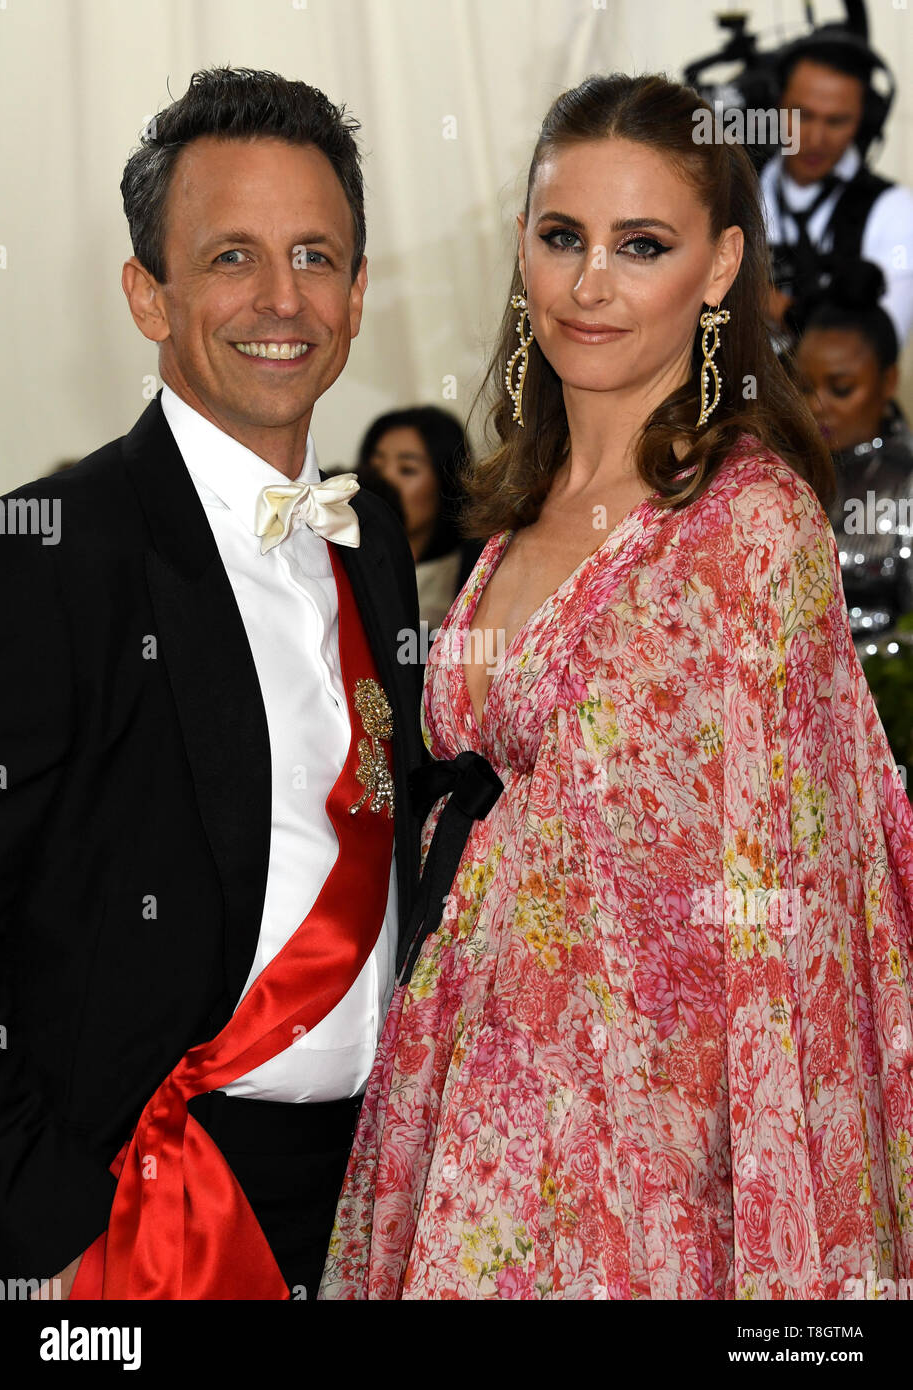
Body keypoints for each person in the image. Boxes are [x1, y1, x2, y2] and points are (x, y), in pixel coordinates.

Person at [319, 71, 913, 1301]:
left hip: (640, 1179)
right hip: (452, 1113)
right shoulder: (507, 512)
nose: (589, 283)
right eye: (560, 236)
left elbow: (792, 914)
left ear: (716, 266)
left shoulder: (749, 529)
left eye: (639, 244)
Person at [0, 66, 425, 1301]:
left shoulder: (372, 538)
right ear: (148, 293)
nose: (282, 299)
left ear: (354, 289)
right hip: (144, 1204)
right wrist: (48, 1220)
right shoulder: (46, 554)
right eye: (231, 256)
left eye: (316, 255)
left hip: (368, 1191)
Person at [760, 26, 913, 351]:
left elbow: (872, 347)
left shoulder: (894, 210)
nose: (816, 139)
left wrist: (774, 307)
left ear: (865, 121)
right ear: (775, 104)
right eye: (802, 116)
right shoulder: (732, 188)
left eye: (836, 121)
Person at [792, 260, 913, 640]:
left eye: (840, 388)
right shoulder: (776, 472)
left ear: (888, 380)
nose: (817, 406)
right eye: (804, 387)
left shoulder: (907, 483)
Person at [358, 406, 485, 633]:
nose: (385, 481)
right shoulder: (348, 563)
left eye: (407, 470)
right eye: (376, 467)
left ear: (447, 483)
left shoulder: (475, 580)